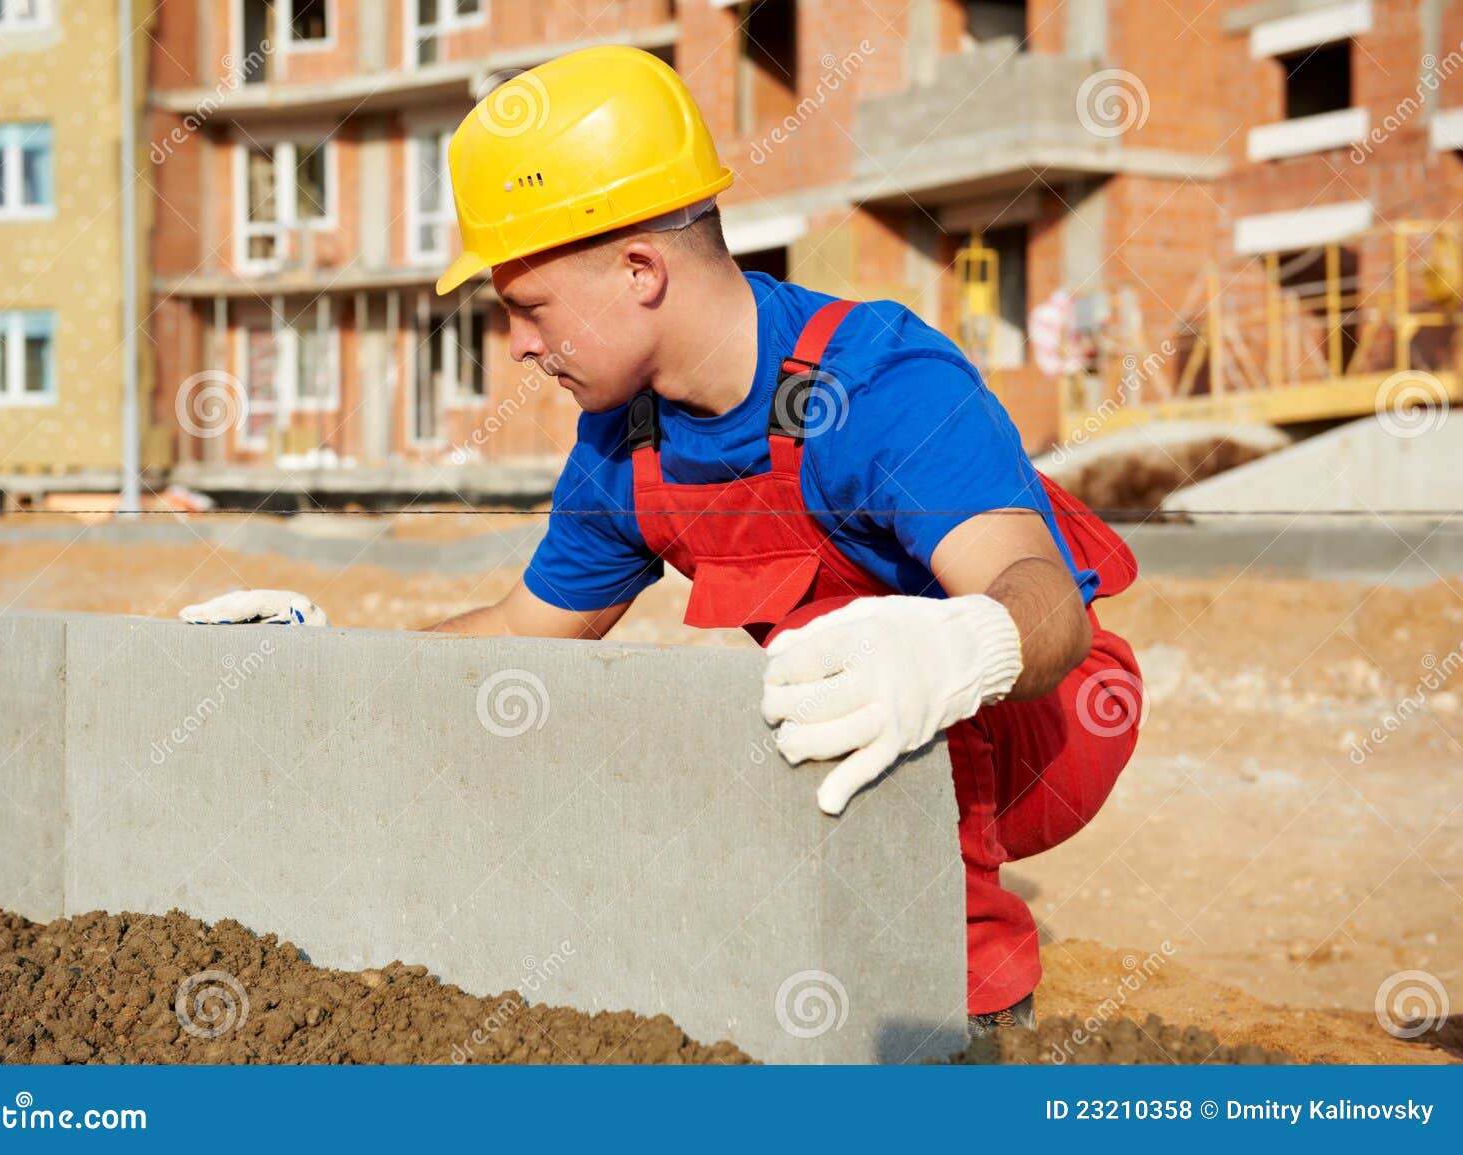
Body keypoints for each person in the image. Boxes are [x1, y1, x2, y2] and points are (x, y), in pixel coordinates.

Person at [182, 45, 1144, 1036]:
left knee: (853, 728)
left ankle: (969, 1012)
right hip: (875, 696)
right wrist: (320, 661)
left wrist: (955, 649)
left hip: (1042, 712)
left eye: (525, 306)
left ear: (639, 270)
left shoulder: (876, 384)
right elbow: (523, 630)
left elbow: (1043, 599)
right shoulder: (625, 442)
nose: (515, 343)